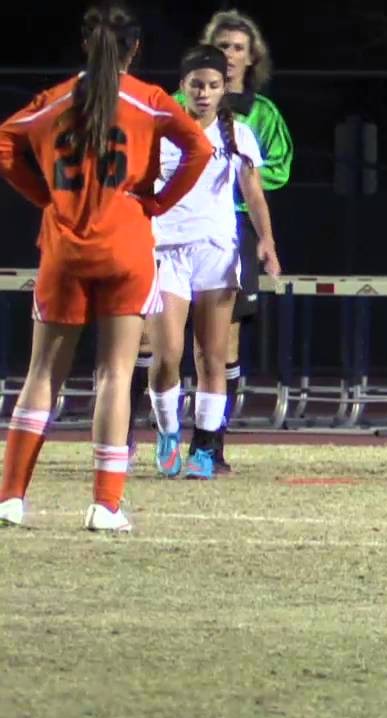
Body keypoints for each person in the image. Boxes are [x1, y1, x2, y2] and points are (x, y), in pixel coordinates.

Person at [0, 2, 213, 531]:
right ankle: (105, 505)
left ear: (84, 46)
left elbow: (5, 141)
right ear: (135, 49)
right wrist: (159, 202)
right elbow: (200, 148)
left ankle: (9, 499)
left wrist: (47, 197)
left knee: (42, 372)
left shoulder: (52, 102)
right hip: (126, 246)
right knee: (114, 374)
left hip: (65, 248)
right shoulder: (150, 100)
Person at [129, 9, 293, 473]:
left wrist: (268, 243)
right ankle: (166, 432)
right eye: (195, 84)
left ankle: (204, 447)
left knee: (212, 356)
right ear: (183, 86)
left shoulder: (238, 132)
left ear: (225, 88)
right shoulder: (160, 130)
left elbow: (253, 192)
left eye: (212, 85)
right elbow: (139, 187)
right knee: (166, 357)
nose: (203, 93)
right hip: (167, 251)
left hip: (217, 254)